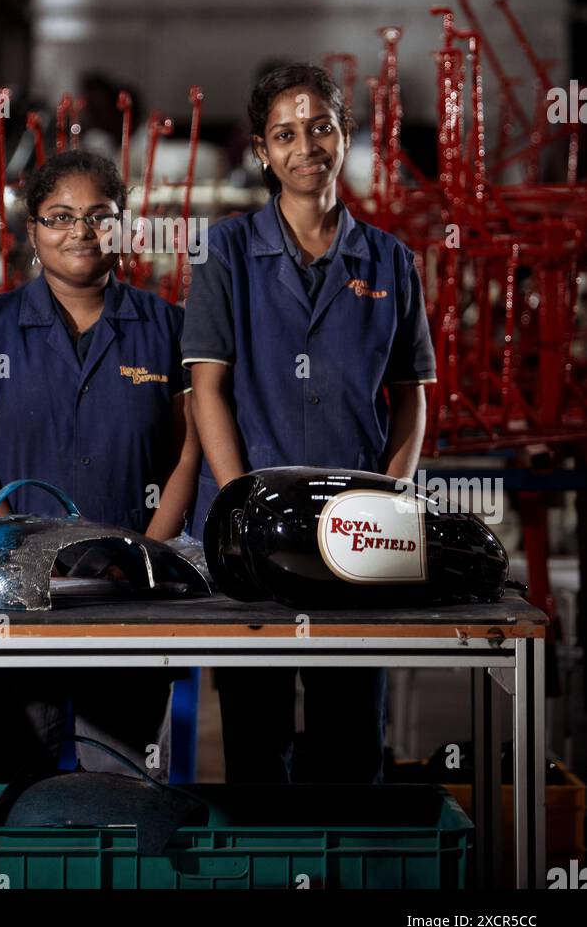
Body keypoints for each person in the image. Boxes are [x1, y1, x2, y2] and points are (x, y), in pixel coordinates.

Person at [181, 63, 436, 785]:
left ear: (344, 135)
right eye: (285, 134)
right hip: (247, 533)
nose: (306, 146)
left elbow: (412, 393)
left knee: (351, 740)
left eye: (320, 126)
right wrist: (241, 511)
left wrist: (389, 500)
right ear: (262, 152)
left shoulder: (390, 259)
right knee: (256, 743)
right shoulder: (225, 252)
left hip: (357, 530)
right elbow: (207, 388)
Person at [0, 150, 200, 782]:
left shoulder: (168, 329)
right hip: (17, 601)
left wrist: (148, 557)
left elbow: (192, 451)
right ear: (31, 231)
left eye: (99, 216)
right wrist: (17, 557)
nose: (80, 231)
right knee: (10, 798)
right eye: (59, 216)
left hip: (134, 598)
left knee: (128, 802)